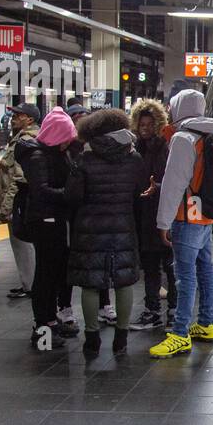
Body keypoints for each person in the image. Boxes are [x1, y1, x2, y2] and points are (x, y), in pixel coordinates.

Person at [149, 89, 213, 359]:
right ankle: (206, 323)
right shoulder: (212, 134)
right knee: (205, 268)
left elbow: (174, 184)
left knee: (184, 277)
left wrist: (163, 221)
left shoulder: (184, 138)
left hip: (185, 216)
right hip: (205, 214)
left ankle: (180, 333)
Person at [65, 108, 146, 357]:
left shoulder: (84, 159)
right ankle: (121, 337)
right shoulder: (133, 158)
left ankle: (92, 339)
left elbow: (73, 196)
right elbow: (139, 192)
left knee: (90, 284)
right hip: (123, 224)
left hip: (89, 227)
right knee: (123, 282)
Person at [17, 108, 79, 346]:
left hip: (54, 220)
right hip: (45, 221)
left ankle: (50, 320)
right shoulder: (39, 157)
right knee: (45, 273)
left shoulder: (53, 153)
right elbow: (41, 190)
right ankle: (43, 324)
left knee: (53, 271)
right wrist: (68, 194)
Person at [129, 98, 177, 331]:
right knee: (151, 265)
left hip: (162, 213)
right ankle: (153, 310)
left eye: (149, 124)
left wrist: (156, 187)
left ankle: (172, 312)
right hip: (144, 214)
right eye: (141, 124)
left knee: (169, 265)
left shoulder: (165, 146)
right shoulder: (136, 147)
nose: (144, 128)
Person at [0, 103, 40, 299]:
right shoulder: (26, 138)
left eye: (18, 115)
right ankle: (29, 283)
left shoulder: (24, 141)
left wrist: (6, 207)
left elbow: (19, 178)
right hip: (25, 200)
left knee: (22, 244)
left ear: (29, 119)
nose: (13, 118)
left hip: (18, 201)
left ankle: (30, 285)